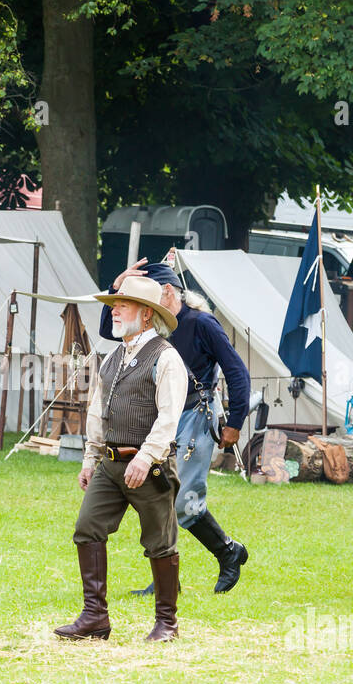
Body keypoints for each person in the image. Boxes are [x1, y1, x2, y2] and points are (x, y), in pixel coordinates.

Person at [98, 251, 252, 594]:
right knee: (159, 495)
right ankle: (166, 580)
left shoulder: (202, 324)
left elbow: (236, 371)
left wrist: (236, 420)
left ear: (167, 292)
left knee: (181, 500)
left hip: (196, 415)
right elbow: (109, 332)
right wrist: (116, 286)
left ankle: (228, 551)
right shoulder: (152, 326)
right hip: (160, 421)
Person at [56, 275, 188, 642]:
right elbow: (97, 411)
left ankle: (167, 623)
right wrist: (89, 458)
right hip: (110, 464)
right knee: (87, 529)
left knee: (160, 543)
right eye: (114, 304)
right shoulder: (114, 356)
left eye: (122, 305)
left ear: (146, 315)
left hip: (151, 466)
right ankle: (95, 618)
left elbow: (169, 418)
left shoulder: (167, 358)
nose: (114, 310)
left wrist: (146, 458)